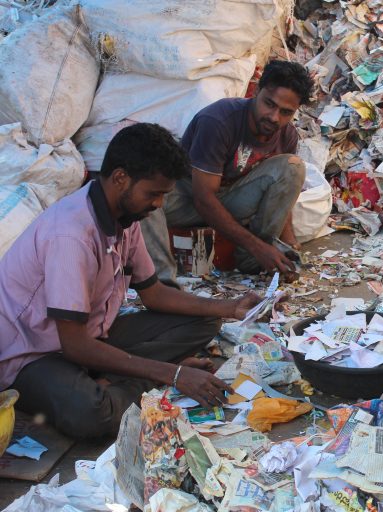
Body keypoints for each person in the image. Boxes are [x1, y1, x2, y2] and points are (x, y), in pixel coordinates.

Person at [0, 123, 262, 439]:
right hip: (33, 355)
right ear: (121, 178)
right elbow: (73, 344)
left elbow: (153, 294)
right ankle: (133, 381)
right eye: (154, 194)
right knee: (93, 415)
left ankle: (114, 377)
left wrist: (232, 307)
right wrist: (173, 374)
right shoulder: (70, 235)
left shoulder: (125, 218)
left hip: (94, 335)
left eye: (164, 195)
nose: (159, 205)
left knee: (206, 319)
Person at [141, 60, 315, 284]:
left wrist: (289, 243)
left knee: (293, 167)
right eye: (269, 104)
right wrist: (258, 246)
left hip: (231, 198)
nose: (274, 117)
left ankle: (252, 262)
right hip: (187, 196)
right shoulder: (218, 120)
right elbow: (203, 199)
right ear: (256, 91)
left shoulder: (286, 134)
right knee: (143, 200)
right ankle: (159, 281)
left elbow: (283, 192)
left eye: (285, 112)